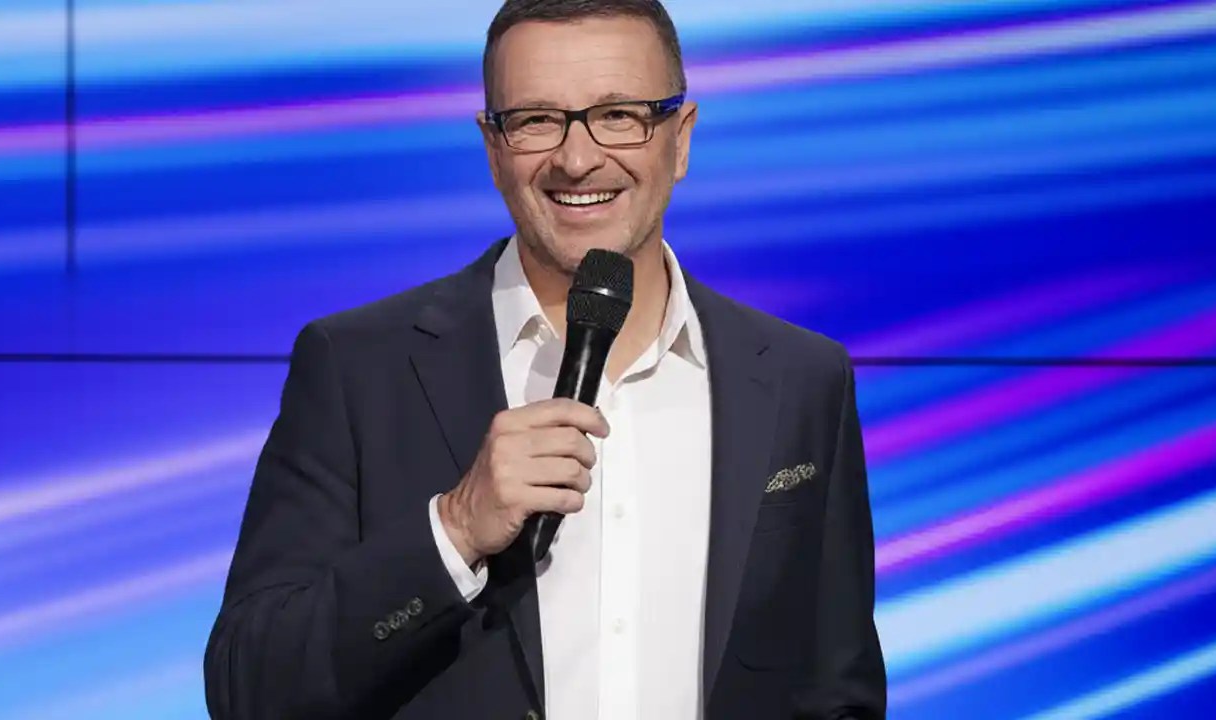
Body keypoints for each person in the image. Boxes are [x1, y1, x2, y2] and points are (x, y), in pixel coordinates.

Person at [203, 1, 886, 717]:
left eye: (618, 114)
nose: (577, 157)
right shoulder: (357, 368)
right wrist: (456, 528)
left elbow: (837, 693)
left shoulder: (800, 379)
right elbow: (251, 687)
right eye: (536, 120)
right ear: (493, 147)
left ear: (680, 140)